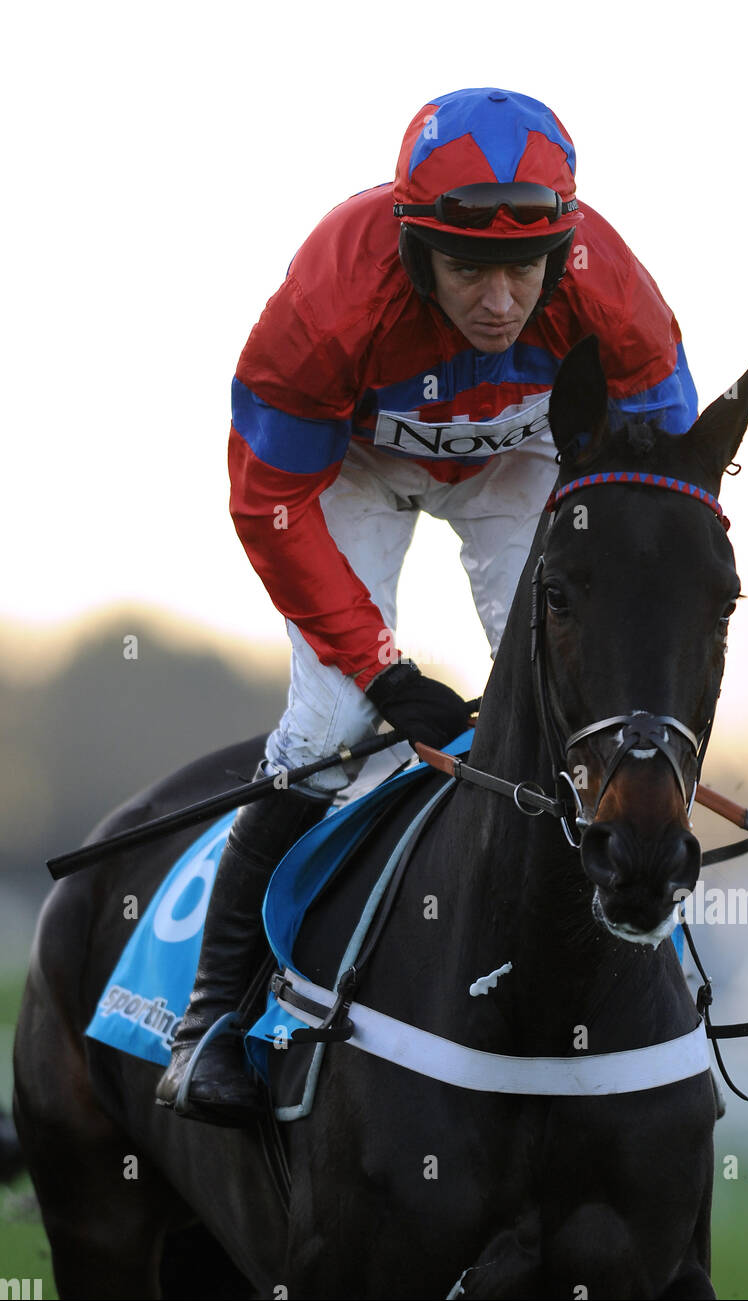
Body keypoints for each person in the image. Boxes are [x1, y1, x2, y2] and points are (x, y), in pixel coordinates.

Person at [156, 86, 698, 1126]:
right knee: (332, 724)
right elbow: (268, 498)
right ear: (412, 251)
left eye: (523, 269)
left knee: (581, 710)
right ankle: (209, 1021)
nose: (500, 302)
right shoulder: (330, 300)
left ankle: (659, 989)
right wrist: (385, 673)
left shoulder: (611, 290)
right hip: (351, 468)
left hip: (520, 459)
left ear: (561, 245)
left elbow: (664, 487)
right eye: (468, 269)